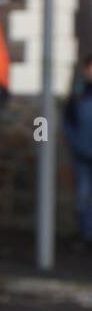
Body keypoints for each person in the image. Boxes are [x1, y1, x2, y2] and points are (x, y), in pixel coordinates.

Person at [62, 54, 92, 248]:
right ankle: (86, 235)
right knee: (82, 196)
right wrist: (76, 144)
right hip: (82, 155)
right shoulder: (78, 93)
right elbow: (67, 121)